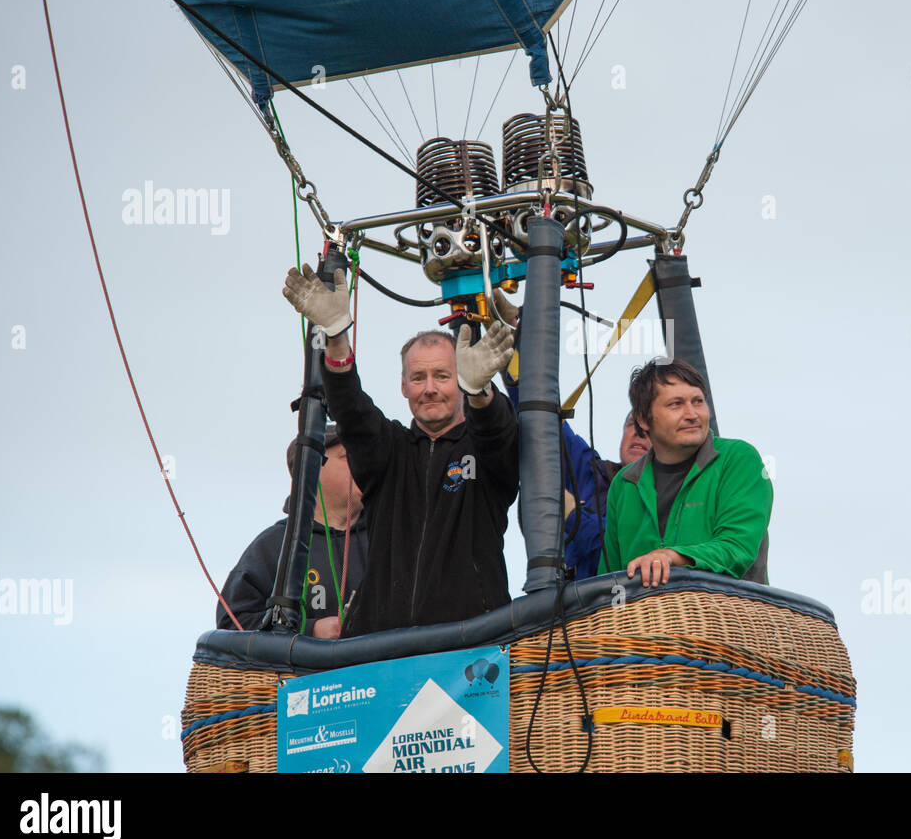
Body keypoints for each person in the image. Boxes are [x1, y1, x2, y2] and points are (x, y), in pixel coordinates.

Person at [282, 264, 518, 635]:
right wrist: (336, 338)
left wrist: (481, 392)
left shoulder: (485, 454)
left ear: (460, 381)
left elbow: (498, 432)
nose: (429, 389)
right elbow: (352, 411)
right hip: (385, 652)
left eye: (443, 376)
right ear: (403, 387)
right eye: (418, 378)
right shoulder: (390, 452)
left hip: (471, 649)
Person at [493, 290, 651, 580]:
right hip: (579, 617)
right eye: (632, 425)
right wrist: (518, 332)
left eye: (647, 429)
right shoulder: (593, 472)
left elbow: (620, 548)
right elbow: (545, 422)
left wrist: (572, 516)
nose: (638, 434)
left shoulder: (672, 490)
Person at [599, 358, 772, 587]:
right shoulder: (624, 484)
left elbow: (737, 548)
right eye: (676, 404)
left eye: (698, 402)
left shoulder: (739, 459)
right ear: (643, 419)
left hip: (726, 617)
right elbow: (609, 577)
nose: (692, 414)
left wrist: (671, 557)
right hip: (646, 621)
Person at [216, 425, 368, 637]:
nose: (365, 463)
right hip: (307, 671)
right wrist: (310, 629)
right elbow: (232, 624)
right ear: (312, 468)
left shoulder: (390, 537)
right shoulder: (273, 546)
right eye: (346, 456)